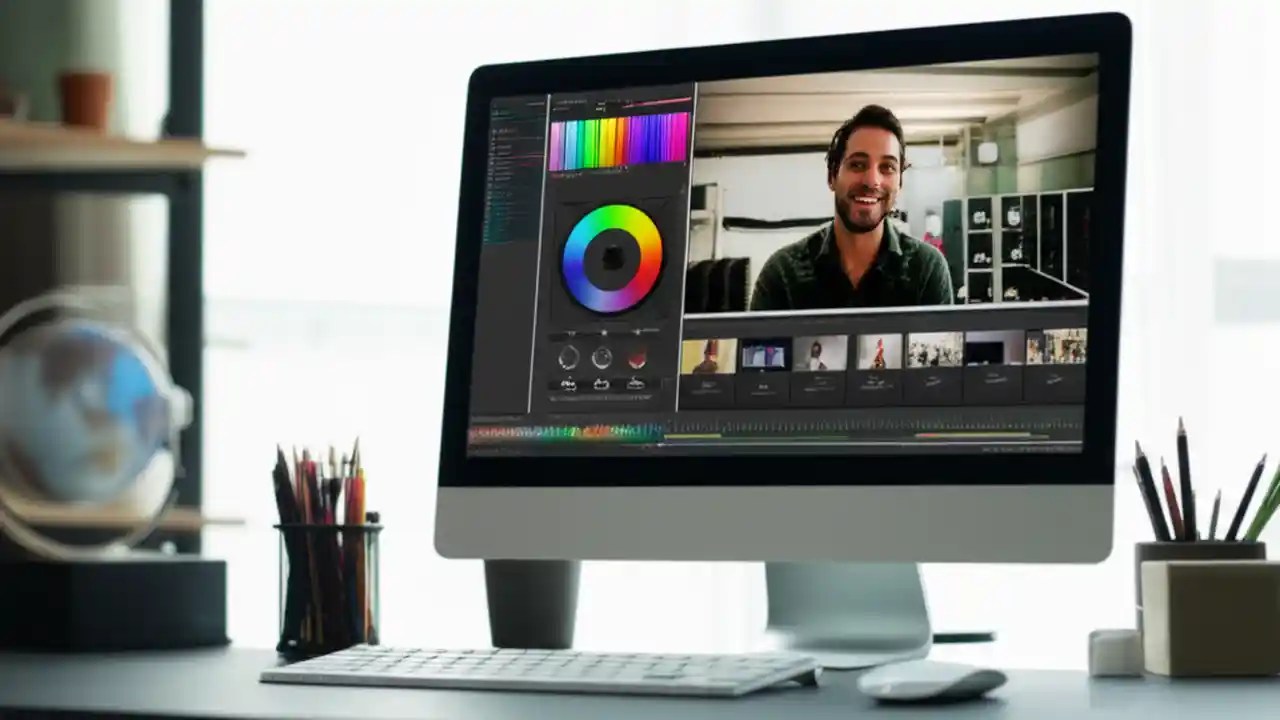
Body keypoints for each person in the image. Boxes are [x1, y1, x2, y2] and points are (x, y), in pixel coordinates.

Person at [749, 105, 955, 311]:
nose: (872, 181)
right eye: (857, 164)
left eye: (887, 167)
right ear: (832, 176)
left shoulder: (926, 269)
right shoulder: (783, 273)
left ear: (899, 183)